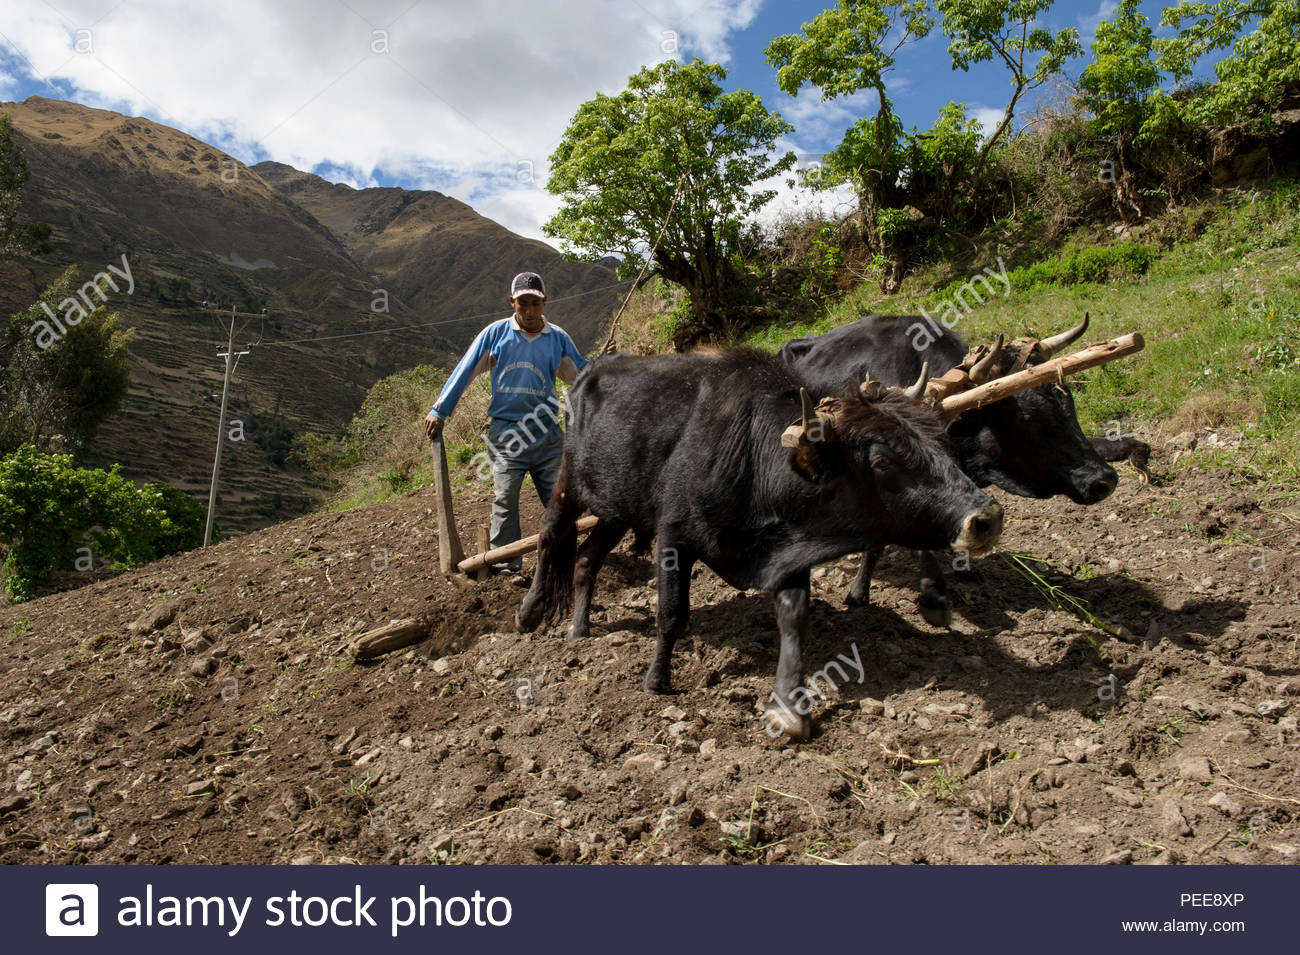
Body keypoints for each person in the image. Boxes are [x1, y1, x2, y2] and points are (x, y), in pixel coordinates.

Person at [424, 271, 588, 573]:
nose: (528, 311)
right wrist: (440, 410)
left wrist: (605, 366)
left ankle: (566, 554)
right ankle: (506, 564)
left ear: (544, 303)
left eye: (535, 304)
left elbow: (583, 377)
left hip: (547, 433)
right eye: (522, 303)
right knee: (505, 499)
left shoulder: (557, 339)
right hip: (507, 433)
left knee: (561, 498)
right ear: (512, 302)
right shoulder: (496, 334)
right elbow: (466, 370)